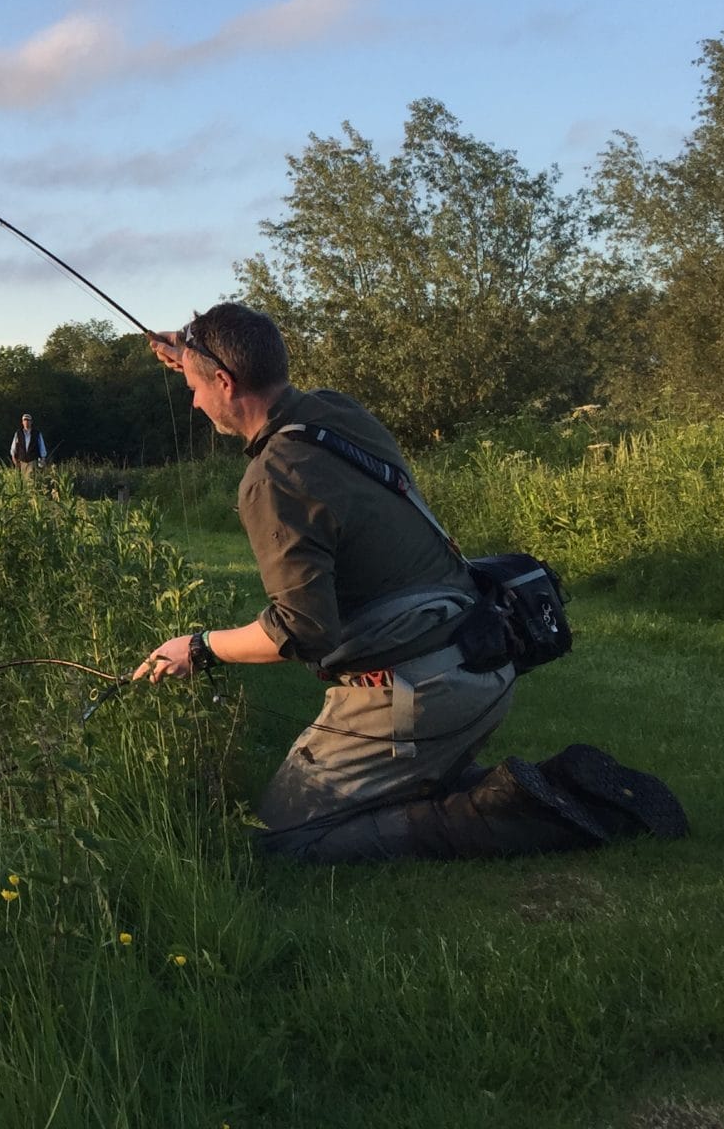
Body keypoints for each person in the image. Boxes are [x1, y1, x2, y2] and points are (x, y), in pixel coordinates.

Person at [134, 301, 686, 863]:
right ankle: (514, 784)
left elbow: (302, 631)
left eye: (198, 388)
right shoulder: (336, 411)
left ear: (225, 381)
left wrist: (199, 647)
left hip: (418, 695)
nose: (195, 400)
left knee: (275, 842)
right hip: (482, 660)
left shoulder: (274, 479)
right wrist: (192, 356)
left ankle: (519, 807)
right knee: (382, 786)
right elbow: (240, 376)